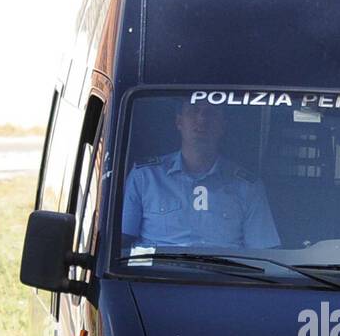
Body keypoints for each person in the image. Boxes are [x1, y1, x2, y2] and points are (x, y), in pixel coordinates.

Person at [120, 99, 280, 250]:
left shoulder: (248, 187)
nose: (202, 119)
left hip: (226, 277)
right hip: (151, 276)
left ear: (223, 126)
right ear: (179, 122)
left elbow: (263, 254)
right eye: (193, 110)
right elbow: (120, 243)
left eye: (211, 112)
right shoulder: (145, 177)